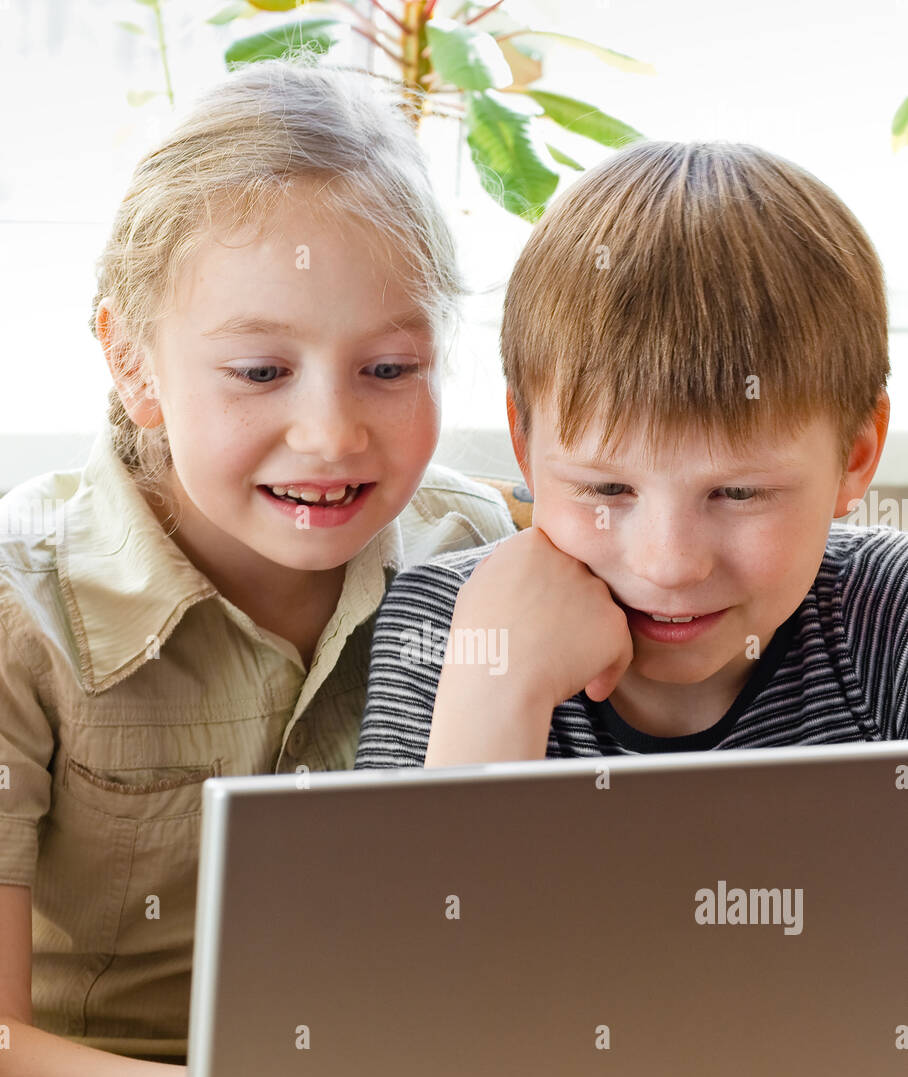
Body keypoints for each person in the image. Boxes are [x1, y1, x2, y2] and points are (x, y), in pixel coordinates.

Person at [0, 58, 514, 1077]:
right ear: (133, 362)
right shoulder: (19, 609)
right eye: (258, 369)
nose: (330, 433)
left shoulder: (484, 559)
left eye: (389, 366)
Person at [355, 139, 906, 772]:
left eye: (739, 493)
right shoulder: (448, 628)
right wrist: (500, 696)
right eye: (607, 491)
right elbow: (419, 877)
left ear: (857, 456)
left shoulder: (888, 617)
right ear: (523, 444)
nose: (669, 565)